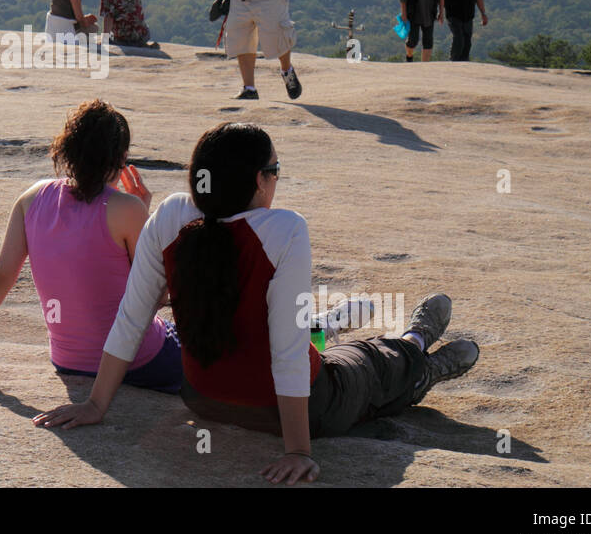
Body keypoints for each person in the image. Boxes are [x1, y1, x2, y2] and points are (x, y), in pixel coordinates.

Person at [33, 122, 480, 485]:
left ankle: (377, 340)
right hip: (301, 406)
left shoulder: (169, 214)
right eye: (276, 169)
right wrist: (298, 450)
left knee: (323, 346)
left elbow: (132, 316)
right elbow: (287, 351)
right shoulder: (284, 229)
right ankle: (418, 352)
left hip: (202, 399)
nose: (277, 179)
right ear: (258, 180)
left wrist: (96, 405)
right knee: (369, 362)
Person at [0, 99, 182, 393]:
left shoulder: (32, 198)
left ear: (67, 149)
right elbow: (155, 295)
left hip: (68, 361)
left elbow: (0, 279)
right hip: (137, 361)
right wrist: (143, 216)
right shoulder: (127, 209)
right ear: (121, 159)